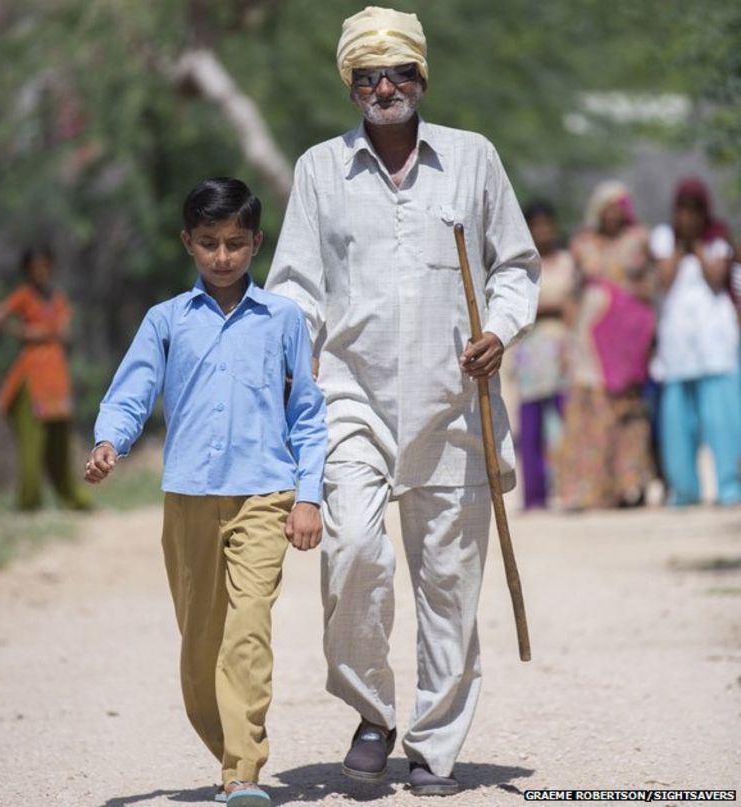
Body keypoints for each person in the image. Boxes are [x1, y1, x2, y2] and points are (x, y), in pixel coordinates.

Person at [265, 7, 540, 796]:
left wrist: (502, 326)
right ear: (350, 83)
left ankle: (435, 744)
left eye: (397, 73)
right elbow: (295, 287)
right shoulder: (320, 169)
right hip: (350, 396)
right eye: (367, 75)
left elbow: (515, 264)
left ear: (422, 78)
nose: (383, 86)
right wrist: (291, 361)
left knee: (449, 581)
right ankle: (371, 710)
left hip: (455, 399)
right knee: (351, 551)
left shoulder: (472, 160)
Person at [84, 178, 326, 806]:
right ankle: (226, 748)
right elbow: (132, 391)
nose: (224, 256)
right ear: (188, 243)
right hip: (189, 495)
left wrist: (308, 495)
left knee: (249, 629)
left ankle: (242, 772)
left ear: (257, 244)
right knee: (200, 644)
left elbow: (307, 414)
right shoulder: (165, 321)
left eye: (237, 244)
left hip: (265, 493)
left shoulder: (282, 319)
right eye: (211, 243)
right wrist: (112, 440)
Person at [555, 181, 656, 510]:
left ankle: (629, 485)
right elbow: (573, 293)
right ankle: (588, 489)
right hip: (589, 337)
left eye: (619, 206)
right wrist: (568, 342)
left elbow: (650, 285)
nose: (614, 214)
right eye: (608, 207)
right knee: (589, 410)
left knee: (627, 409)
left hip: (625, 338)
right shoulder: (583, 244)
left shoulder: (638, 240)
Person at [649, 178, 741, 506]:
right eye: (682, 211)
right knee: (677, 424)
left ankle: (729, 486)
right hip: (678, 347)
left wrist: (697, 244)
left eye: (694, 211)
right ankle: (684, 490)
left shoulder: (717, 239)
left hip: (715, 345)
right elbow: (664, 280)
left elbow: (717, 279)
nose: (688, 218)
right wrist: (680, 245)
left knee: (722, 420)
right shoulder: (663, 239)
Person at [0, 246, 91, 511]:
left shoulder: (57, 299)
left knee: (59, 444)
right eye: (35, 268)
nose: (41, 272)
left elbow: (65, 332)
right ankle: (29, 502)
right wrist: (25, 332)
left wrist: (51, 331)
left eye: (45, 266)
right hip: (31, 378)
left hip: (55, 376)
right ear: (28, 271)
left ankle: (70, 497)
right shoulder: (24, 296)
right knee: (32, 445)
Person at [513, 201, 577, 509]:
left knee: (568, 418)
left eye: (546, 225)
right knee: (531, 421)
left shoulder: (568, 261)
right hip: (532, 346)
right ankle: (535, 494)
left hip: (564, 346)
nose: (543, 231)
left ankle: (571, 486)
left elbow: (574, 305)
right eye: (536, 225)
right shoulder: (522, 263)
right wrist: (551, 307)